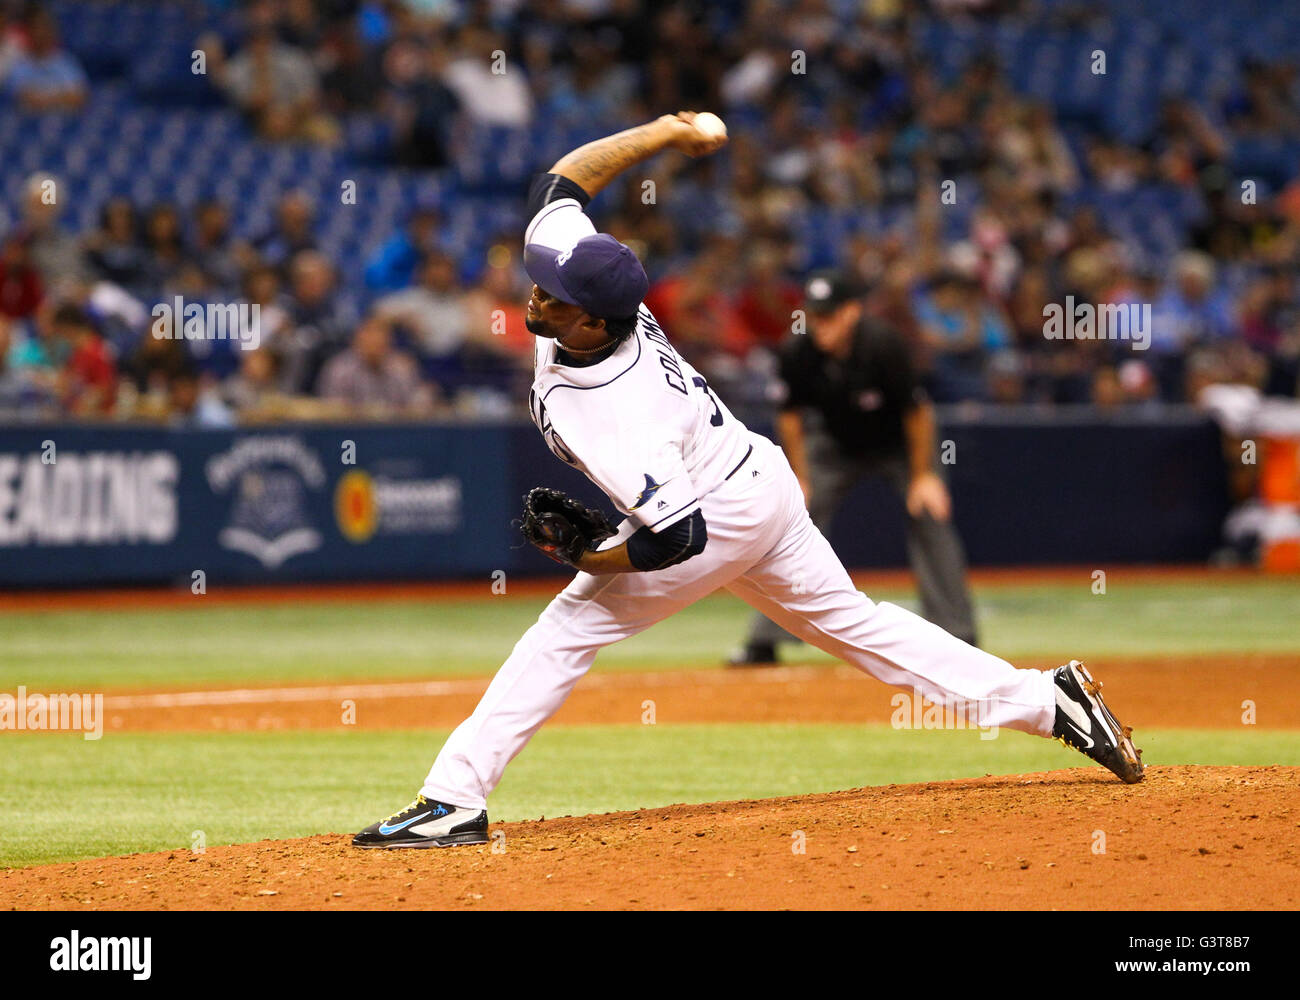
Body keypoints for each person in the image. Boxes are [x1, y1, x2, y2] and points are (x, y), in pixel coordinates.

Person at [355, 113, 1144, 850]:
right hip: (756, 477)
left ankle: (455, 799)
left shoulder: (613, 407)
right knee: (860, 627)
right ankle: (1050, 701)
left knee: (568, 629)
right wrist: (665, 131)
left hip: (714, 510)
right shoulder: (587, 282)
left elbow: (681, 536)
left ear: (594, 323)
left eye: (552, 295)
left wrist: (601, 561)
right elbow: (564, 181)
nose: (534, 291)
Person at [729, 270, 979, 666]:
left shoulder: (883, 344)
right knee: (787, 519)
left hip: (899, 444)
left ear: (851, 313)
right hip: (835, 444)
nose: (820, 325)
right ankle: (765, 640)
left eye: (829, 315)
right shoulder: (799, 351)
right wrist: (800, 477)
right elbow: (790, 415)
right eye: (815, 315)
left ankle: (959, 634)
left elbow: (917, 412)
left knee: (930, 514)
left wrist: (925, 475)